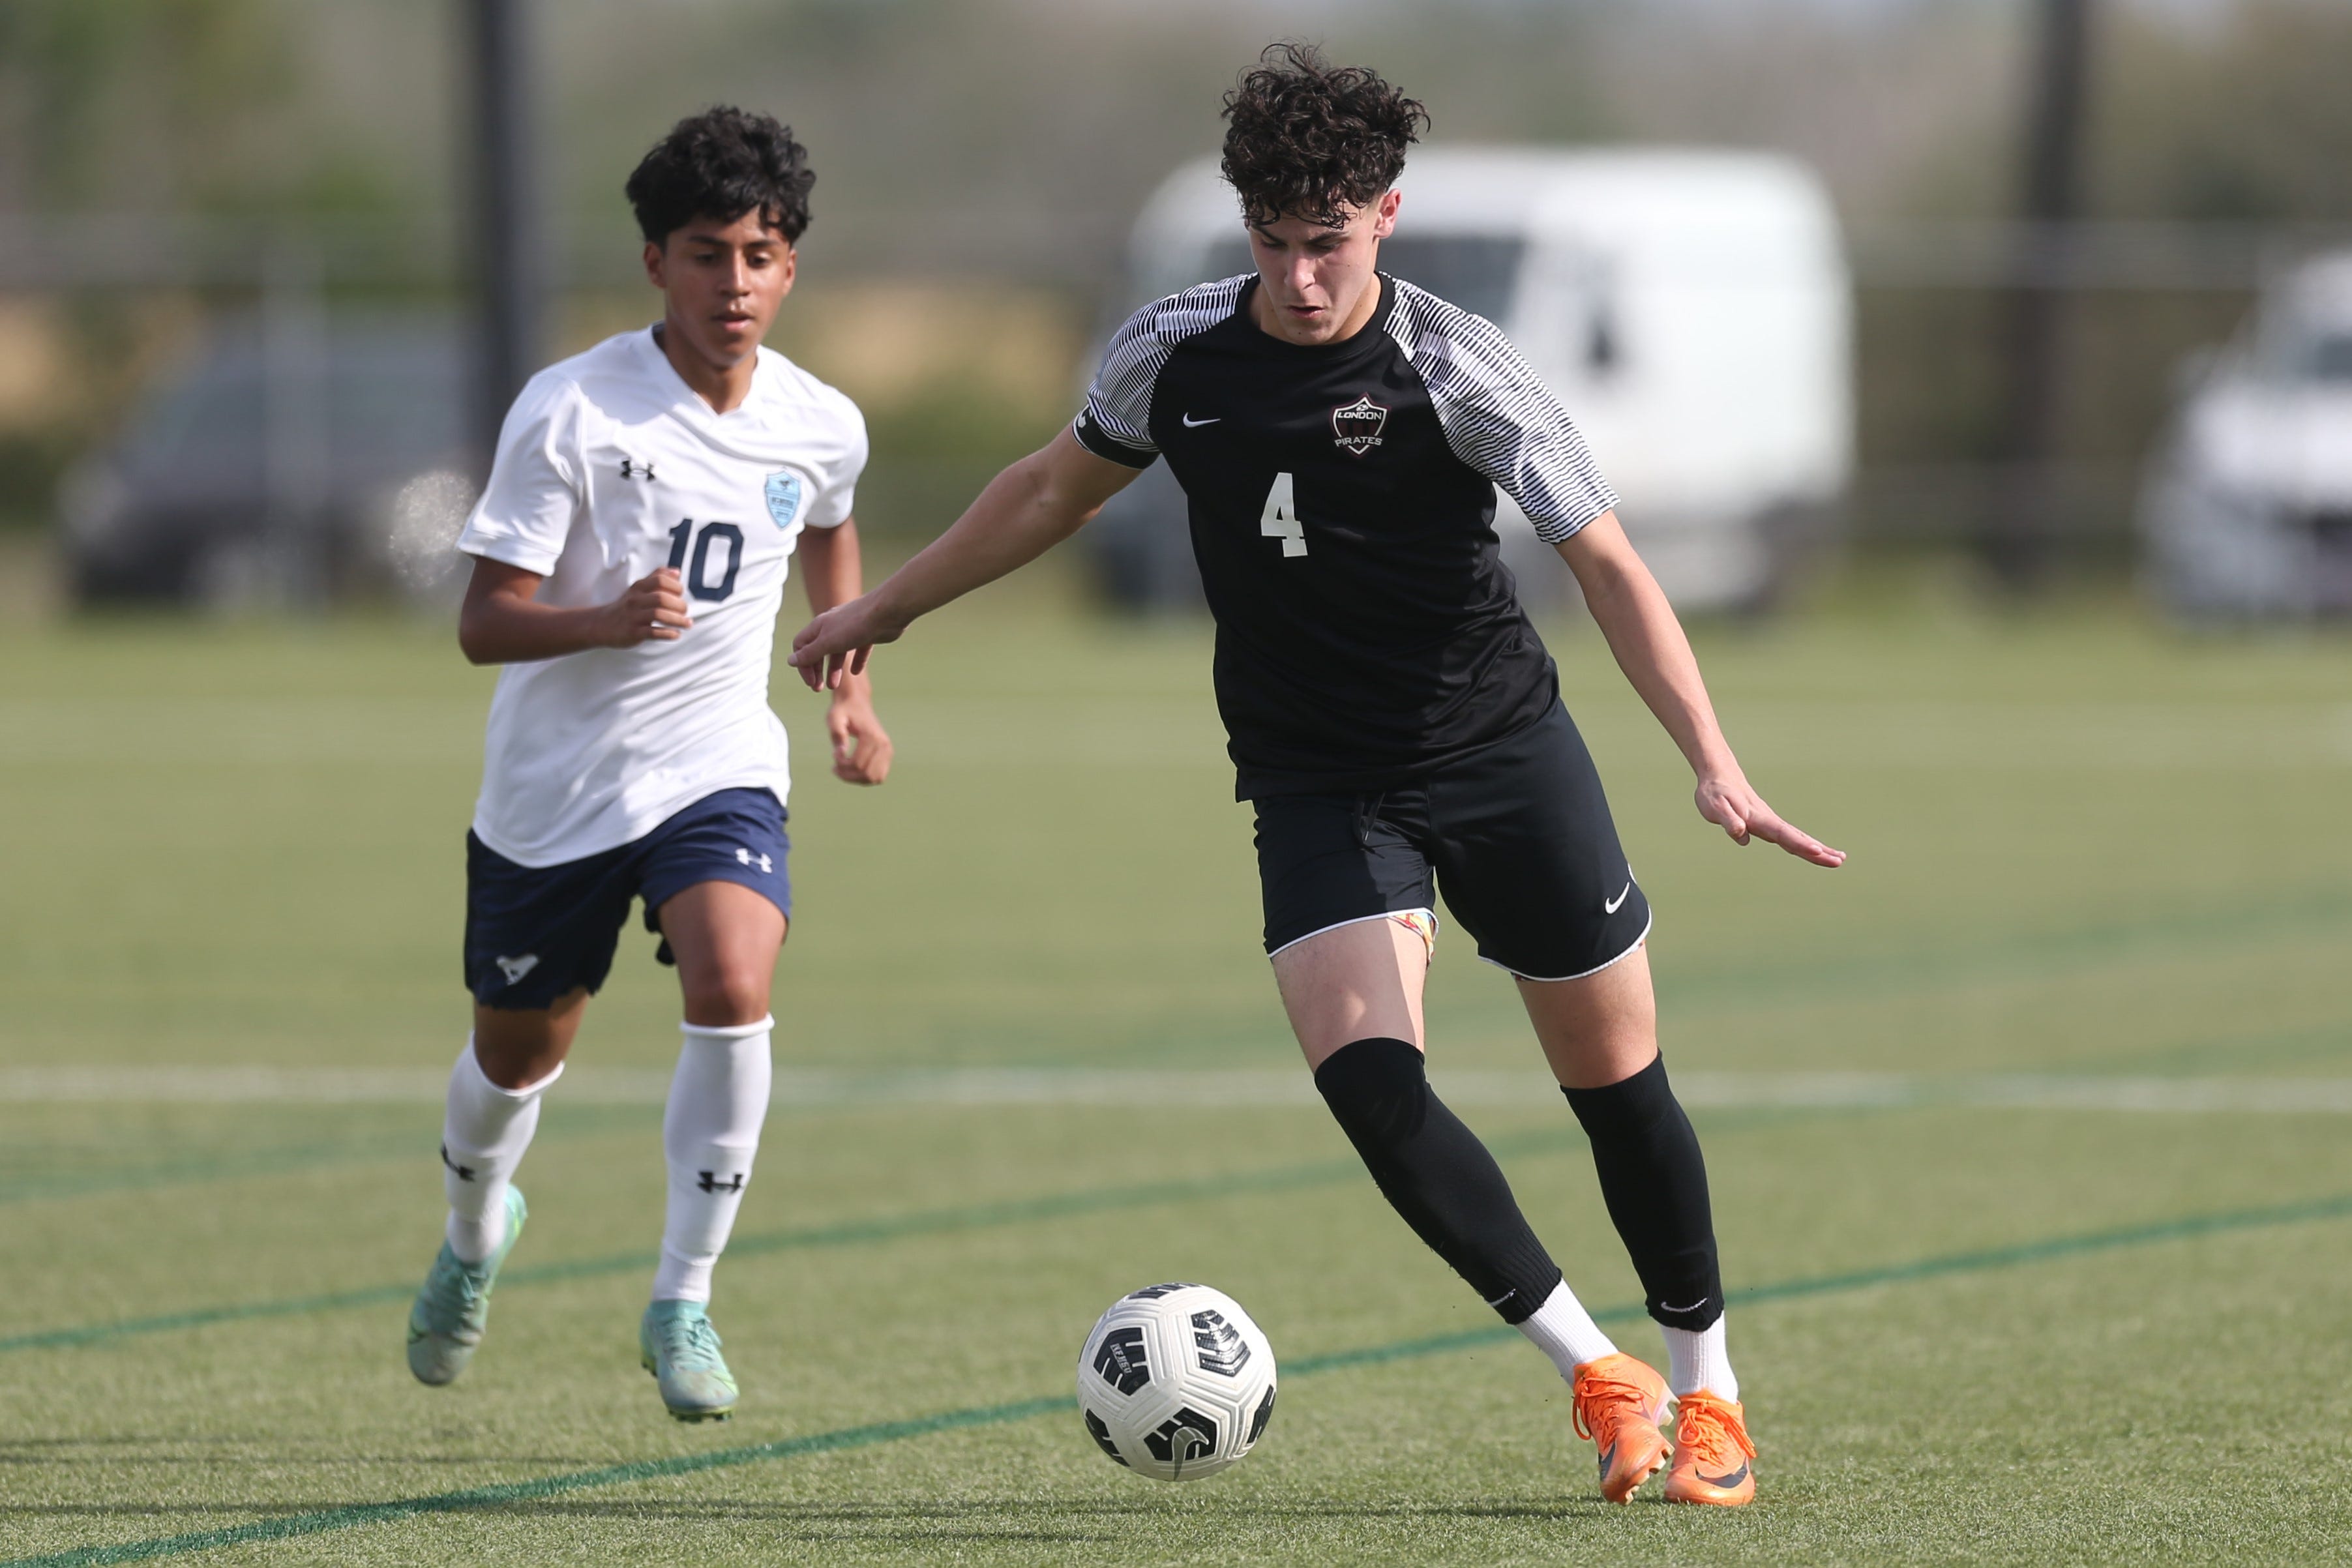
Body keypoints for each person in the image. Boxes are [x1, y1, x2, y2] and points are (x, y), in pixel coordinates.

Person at [791, 46, 1841, 1503]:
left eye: (1325, 242)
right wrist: (883, 605)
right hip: (1315, 778)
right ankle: (1596, 1374)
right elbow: (1049, 488)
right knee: (1368, 1084)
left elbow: (1603, 561)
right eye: (1272, 245)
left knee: (1615, 1087)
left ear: (1385, 215)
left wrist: (1713, 765)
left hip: (1499, 751)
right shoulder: (1173, 352)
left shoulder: (1454, 360)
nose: (1296, 277)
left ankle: (1708, 1386)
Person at [405, 106, 890, 1423]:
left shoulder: (819, 422)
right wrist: (603, 618)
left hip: (716, 760)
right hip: (554, 794)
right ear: (654, 263)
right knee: (513, 1059)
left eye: (760, 254)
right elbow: (480, 625)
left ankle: (684, 1299)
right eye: (705, 253)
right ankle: (469, 1235)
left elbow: (831, 537)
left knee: (735, 977)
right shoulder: (569, 409)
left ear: (791, 266)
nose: (734, 284)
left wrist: (845, 685)